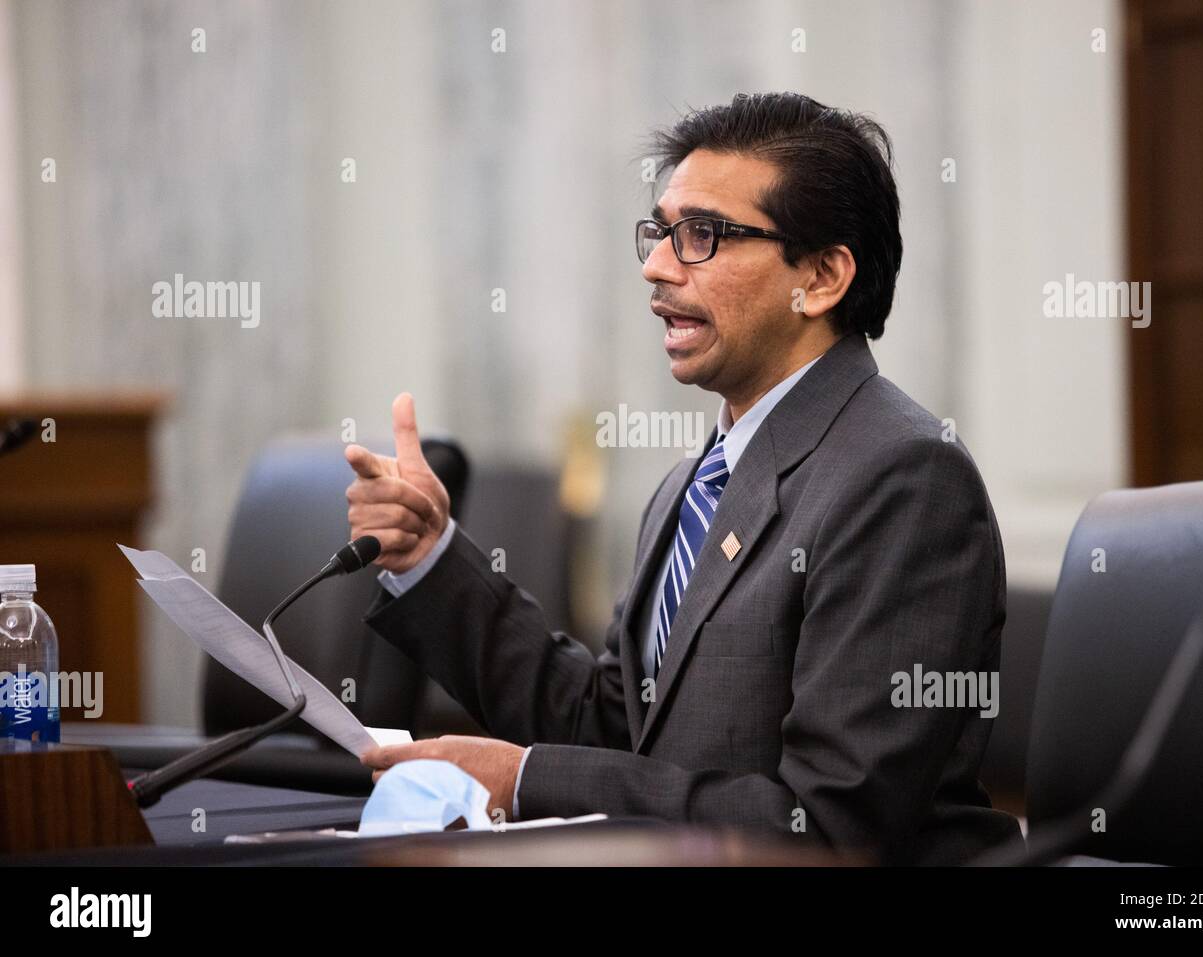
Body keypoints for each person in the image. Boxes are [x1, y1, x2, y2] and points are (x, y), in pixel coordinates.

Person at [345, 92, 1022, 864]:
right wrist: (432, 558)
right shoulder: (691, 485)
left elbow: (831, 828)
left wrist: (525, 780)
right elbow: (614, 729)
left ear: (825, 276)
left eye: (701, 235)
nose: (656, 266)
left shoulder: (904, 478)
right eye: (661, 232)